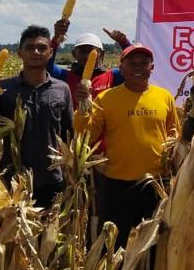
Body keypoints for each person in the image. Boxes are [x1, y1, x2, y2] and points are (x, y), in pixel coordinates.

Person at [75, 44, 179, 246]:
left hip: (155, 184)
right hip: (116, 184)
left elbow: (174, 134)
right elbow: (87, 135)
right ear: (121, 67)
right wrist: (82, 106)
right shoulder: (105, 98)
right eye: (131, 63)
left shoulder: (164, 96)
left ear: (152, 67)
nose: (137, 67)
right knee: (117, 245)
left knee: (152, 246)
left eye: (143, 63)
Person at [0, 25, 74, 208]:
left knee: (46, 235)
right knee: (6, 234)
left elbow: (69, 134)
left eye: (42, 48)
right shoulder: (3, 89)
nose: (36, 52)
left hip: (50, 181)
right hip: (11, 180)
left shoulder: (62, 89)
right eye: (30, 47)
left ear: (50, 52)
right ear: (20, 53)